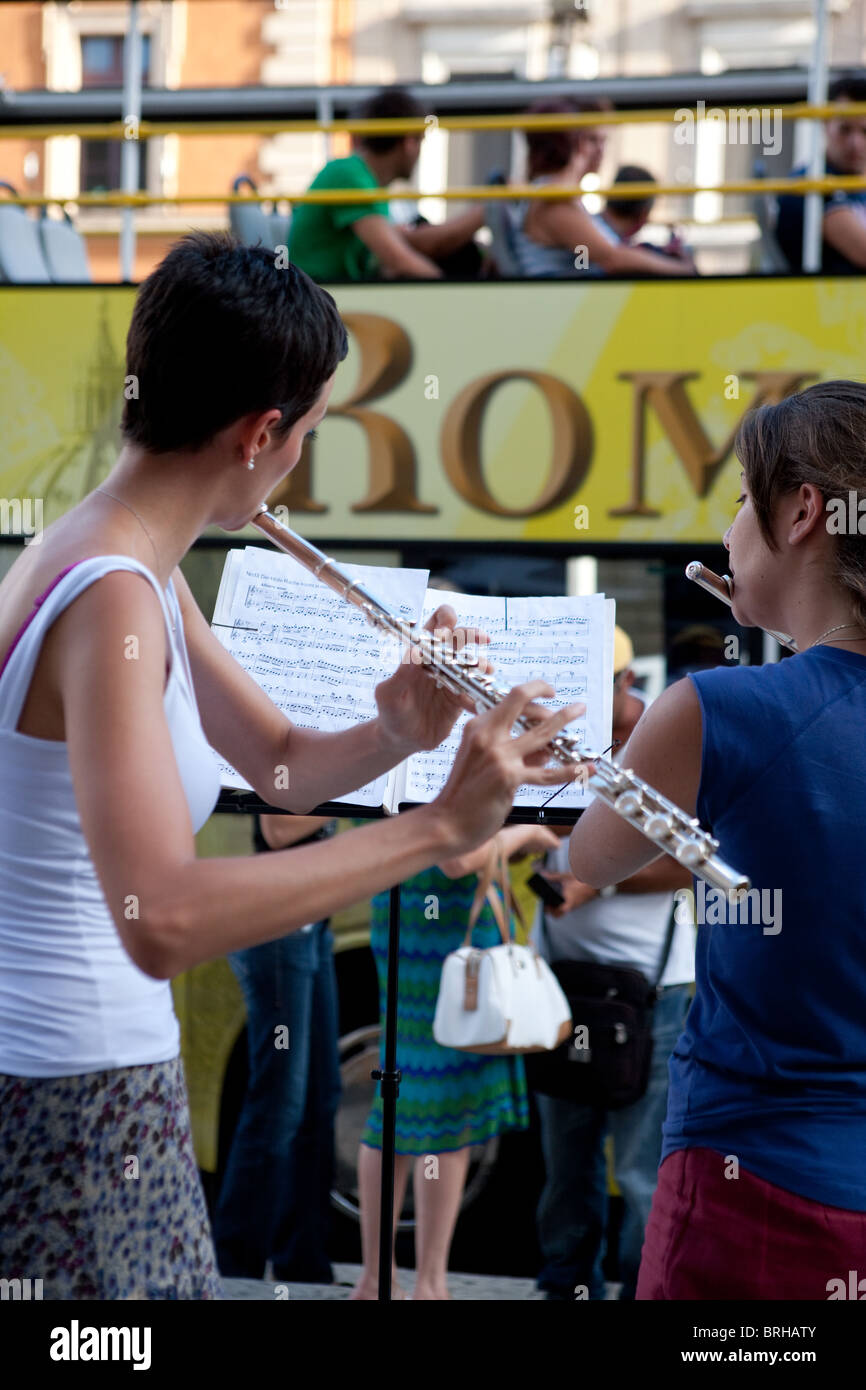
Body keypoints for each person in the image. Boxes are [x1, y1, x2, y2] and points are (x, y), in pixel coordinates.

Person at [0, 230, 582, 1299]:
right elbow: (159, 916)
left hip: (81, 1080)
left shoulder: (120, 557)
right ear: (260, 433)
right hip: (72, 1097)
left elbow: (275, 767)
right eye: (305, 435)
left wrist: (401, 728)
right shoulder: (113, 591)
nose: (297, 462)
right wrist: (439, 830)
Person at [568, 379, 866, 1299]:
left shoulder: (718, 708)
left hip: (757, 1190)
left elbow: (588, 858)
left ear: (803, 511)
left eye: (742, 499)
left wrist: (572, 752)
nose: (731, 529)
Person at [532, 628, 694, 1301]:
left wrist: (593, 879)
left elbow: (687, 862)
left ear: (625, 684)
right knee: (565, 1164)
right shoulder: (557, 742)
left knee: (639, 1169)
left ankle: (639, 1290)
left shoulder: (666, 741)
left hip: (650, 990)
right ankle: (565, 1285)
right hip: (561, 987)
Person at [352, 822, 560, 1301]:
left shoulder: (390, 747)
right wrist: (526, 832)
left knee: (397, 1097)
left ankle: (375, 1279)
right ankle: (429, 1284)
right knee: (447, 1103)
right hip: (445, 920)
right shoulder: (442, 748)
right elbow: (457, 857)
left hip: (402, 906)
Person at [212, 812, 339, 1284]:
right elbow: (278, 829)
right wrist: (370, 781)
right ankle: (234, 1268)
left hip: (314, 921)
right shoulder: (294, 733)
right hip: (279, 922)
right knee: (279, 1104)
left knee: (321, 1097)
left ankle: (303, 1265)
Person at [288, 87, 484, 282]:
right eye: (421, 141)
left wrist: (483, 213)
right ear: (409, 143)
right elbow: (399, 259)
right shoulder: (348, 175)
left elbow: (418, 244)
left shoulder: (364, 180)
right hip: (314, 299)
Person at [508, 99, 695, 279]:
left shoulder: (556, 195)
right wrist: (682, 270)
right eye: (590, 140)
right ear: (576, 143)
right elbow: (612, 259)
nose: (599, 150)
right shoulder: (555, 200)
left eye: (602, 141)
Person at [776, 75, 866, 273]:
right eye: (845, 129)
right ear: (825, 124)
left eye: (865, 131)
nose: (855, 143)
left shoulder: (855, 183)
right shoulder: (811, 185)